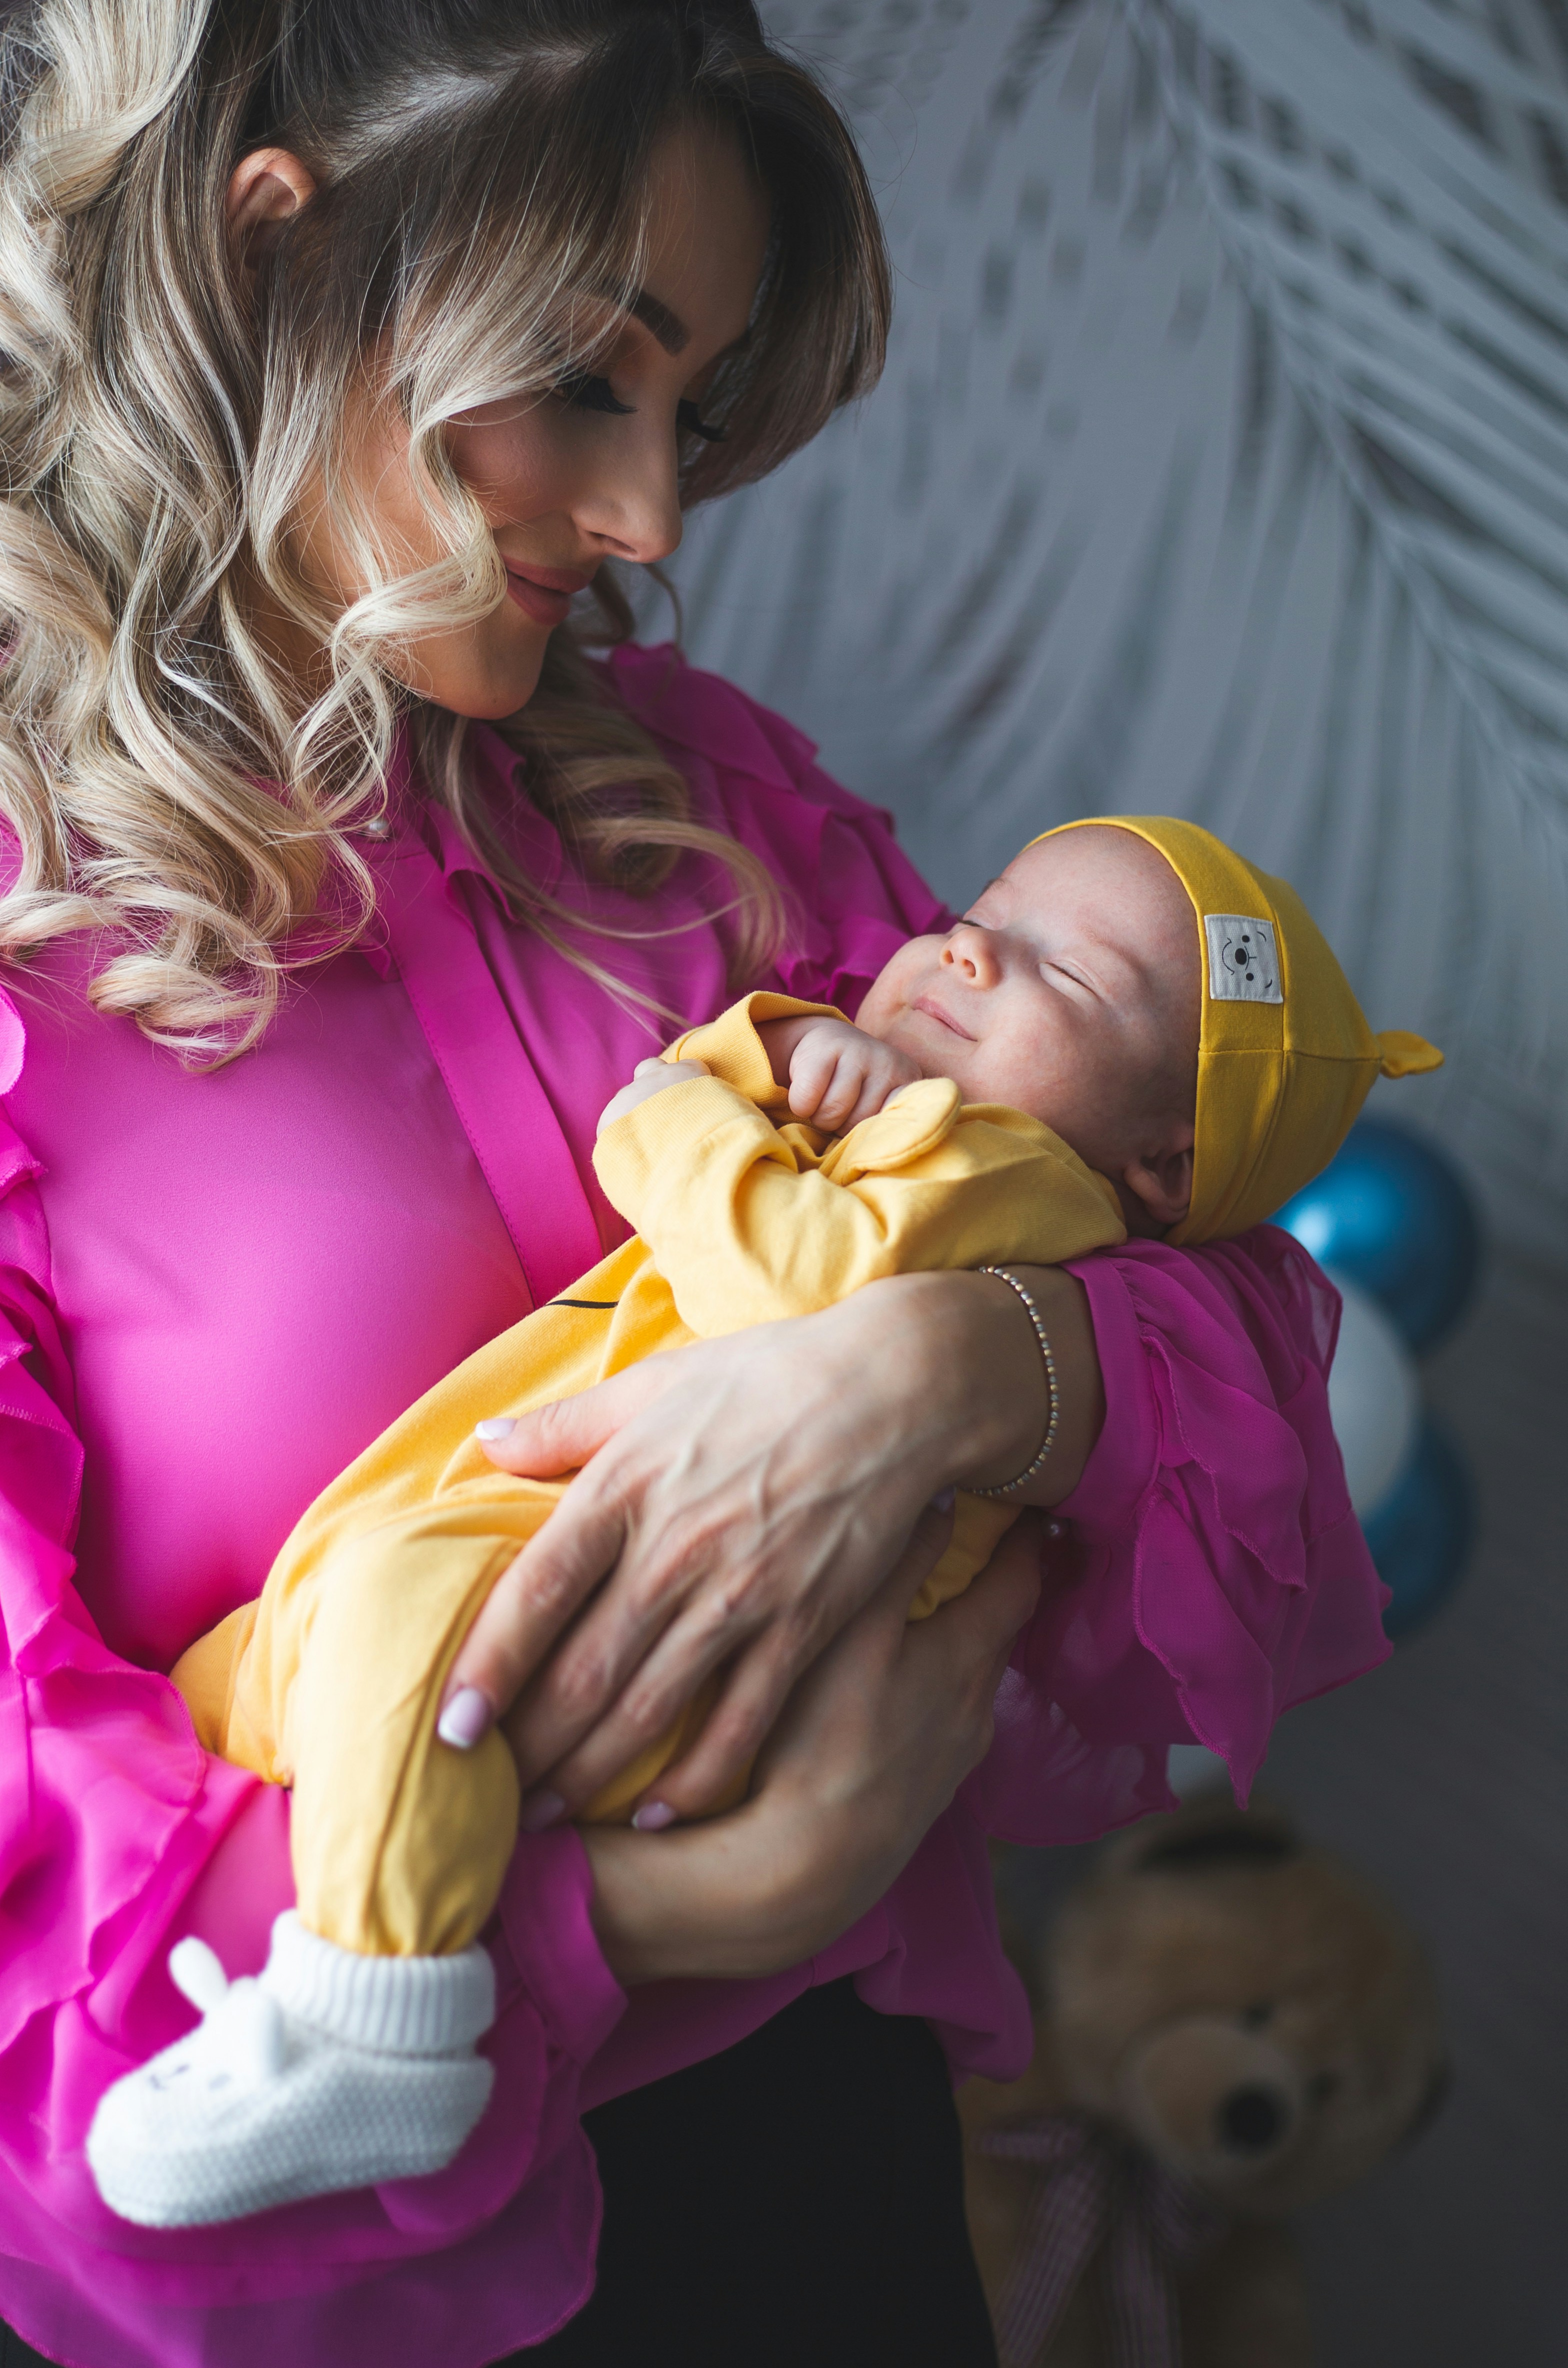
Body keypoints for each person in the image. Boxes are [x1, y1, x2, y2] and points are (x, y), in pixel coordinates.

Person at [0, 0, 1390, 2368]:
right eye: (586, 382)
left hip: (824, 2278)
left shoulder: (715, 819)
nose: (659, 511)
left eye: (690, 409)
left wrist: (961, 1369)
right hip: (264, 2350)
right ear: (277, 252)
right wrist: (703, 1900)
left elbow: (1272, 1410)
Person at [90, 818, 1438, 2230]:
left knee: (393, 1629)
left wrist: (688, 1097)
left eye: (1068, 973)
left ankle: (379, 2023)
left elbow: (787, 1279)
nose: (973, 944)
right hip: (553, 1563)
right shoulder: (909, 1123)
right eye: (986, 908)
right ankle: (315, 1974)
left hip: (639, 1612)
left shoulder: (1003, 1173)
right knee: (290, 1668)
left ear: (1162, 1171)